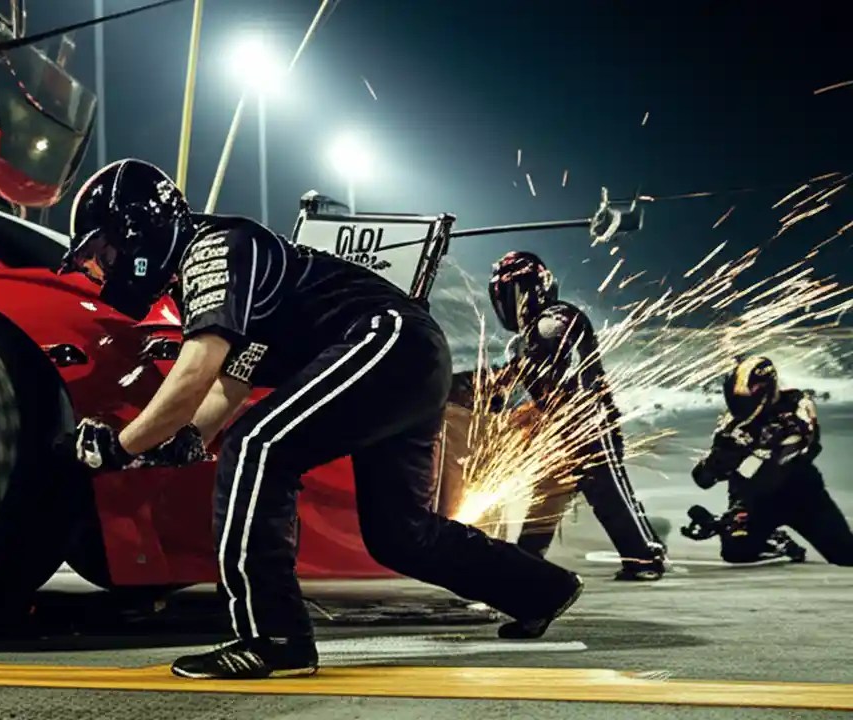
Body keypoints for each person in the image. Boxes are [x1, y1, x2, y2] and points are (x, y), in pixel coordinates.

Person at [60, 159, 584, 680]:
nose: (99, 270)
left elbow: (195, 371)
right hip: (408, 355)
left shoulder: (211, 248)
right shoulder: (219, 268)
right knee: (400, 535)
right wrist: (190, 437)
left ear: (135, 229)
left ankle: (274, 638)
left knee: (257, 447)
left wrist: (119, 447)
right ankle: (541, 589)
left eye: (101, 252)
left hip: (386, 341)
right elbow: (231, 381)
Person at [455, 251, 667, 581]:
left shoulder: (558, 317)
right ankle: (525, 562)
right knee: (545, 497)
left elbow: (547, 356)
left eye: (513, 292)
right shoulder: (523, 342)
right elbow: (513, 377)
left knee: (607, 492)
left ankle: (646, 558)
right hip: (557, 431)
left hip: (587, 424)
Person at [689, 356, 853, 566]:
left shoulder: (796, 407)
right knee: (735, 552)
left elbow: (798, 452)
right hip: (756, 501)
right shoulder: (731, 427)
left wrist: (753, 452)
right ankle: (777, 542)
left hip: (803, 497)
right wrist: (718, 462)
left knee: (846, 556)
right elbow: (703, 479)